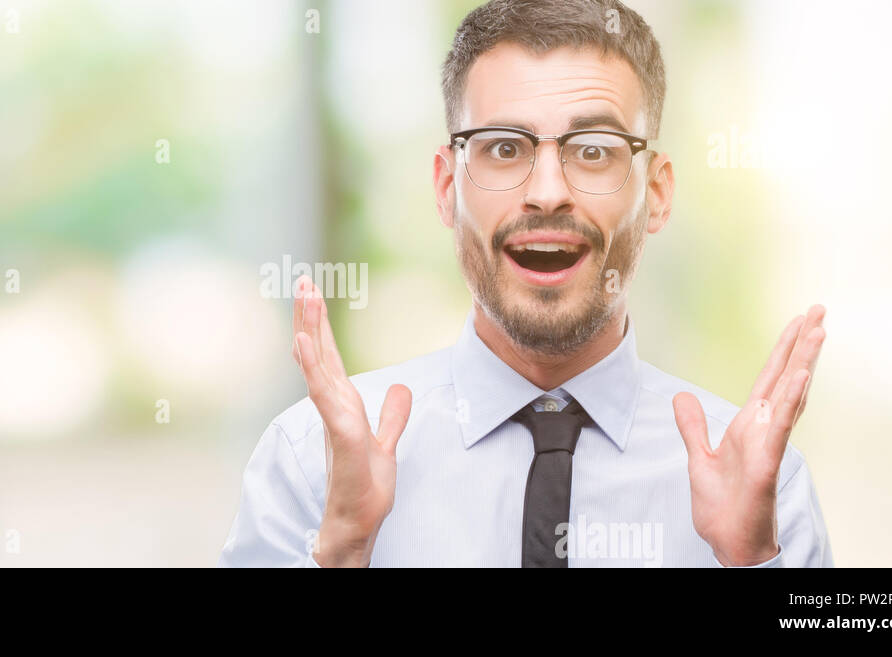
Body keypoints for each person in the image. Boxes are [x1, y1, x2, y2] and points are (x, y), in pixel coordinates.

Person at [218, 0, 832, 567]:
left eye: (594, 150)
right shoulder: (306, 461)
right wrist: (343, 548)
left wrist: (752, 564)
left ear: (659, 194)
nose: (546, 193)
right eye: (504, 148)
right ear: (446, 188)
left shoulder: (767, 488)